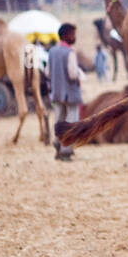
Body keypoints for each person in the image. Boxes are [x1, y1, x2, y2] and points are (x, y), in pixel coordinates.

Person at [49, 23, 82, 160]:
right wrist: (80, 75)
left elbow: (47, 72)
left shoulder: (52, 51)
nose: (74, 37)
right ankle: (66, 150)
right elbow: (73, 73)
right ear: (65, 35)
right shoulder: (70, 53)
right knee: (71, 120)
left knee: (59, 120)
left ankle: (57, 145)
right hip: (70, 93)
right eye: (72, 34)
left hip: (56, 92)